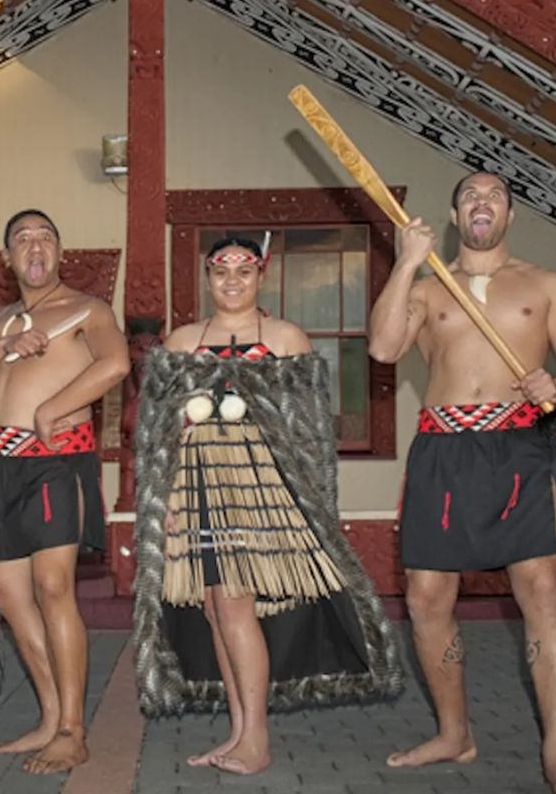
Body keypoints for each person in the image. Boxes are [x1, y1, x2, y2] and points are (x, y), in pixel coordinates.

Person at [132, 236, 402, 775]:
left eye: (244, 269)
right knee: (214, 608)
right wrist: (167, 499)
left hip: (260, 490)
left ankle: (257, 738)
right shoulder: (184, 341)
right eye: (221, 271)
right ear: (206, 277)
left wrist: (310, 504)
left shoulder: (285, 338)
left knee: (233, 604)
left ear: (262, 275)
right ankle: (237, 732)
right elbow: (156, 431)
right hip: (196, 486)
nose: (232, 280)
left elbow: (309, 437)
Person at [367, 171, 556, 794]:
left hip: (520, 447)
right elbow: (385, 348)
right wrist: (406, 263)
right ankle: (454, 732)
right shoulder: (425, 287)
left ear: (510, 215)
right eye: (471, 194)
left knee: (541, 590)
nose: (482, 203)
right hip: (443, 450)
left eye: (495, 195)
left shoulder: (546, 285)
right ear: (452, 212)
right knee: (426, 599)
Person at [0, 209, 130, 775]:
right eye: (22, 239)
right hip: (2, 468)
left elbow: (117, 362)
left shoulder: (86, 309)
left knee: (54, 588)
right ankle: (51, 717)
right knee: (8, 594)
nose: (35, 246)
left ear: (59, 252)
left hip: (57, 461)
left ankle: (75, 730)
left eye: (45, 237)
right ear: (7, 258)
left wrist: (54, 405)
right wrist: (7, 346)